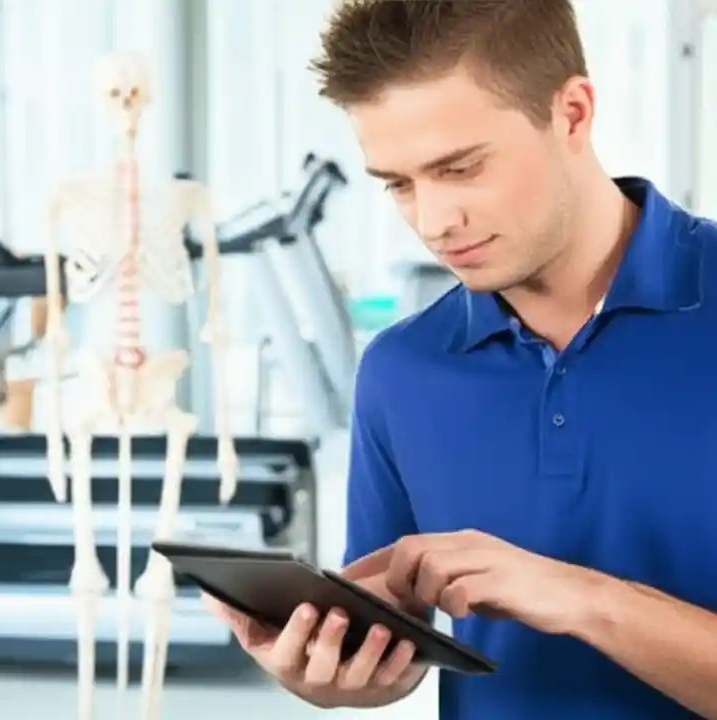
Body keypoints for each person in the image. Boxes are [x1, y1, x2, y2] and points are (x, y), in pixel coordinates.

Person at [203, 1, 717, 718]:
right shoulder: (400, 371)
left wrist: (584, 598)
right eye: (399, 184)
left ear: (571, 113)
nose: (433, 221)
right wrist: (339, 673)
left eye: (461, 168)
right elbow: (397, 634)